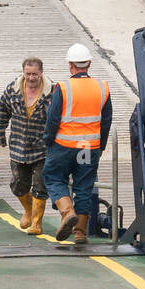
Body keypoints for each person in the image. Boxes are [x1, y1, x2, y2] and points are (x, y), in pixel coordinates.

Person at [42, 43, 112, 246]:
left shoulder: (62, 88)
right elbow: (106, 122)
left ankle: (67, 212)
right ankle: (80, 233)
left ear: (70, 65)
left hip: (63, 146)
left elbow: (52, 120)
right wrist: (101, 146)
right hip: (89, 148)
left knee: (53, 177)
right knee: (84, 187)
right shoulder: (103, 88)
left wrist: (48, 140)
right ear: (89, 63)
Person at [0, 56, 53, 235]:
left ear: (42, 73)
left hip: (42, 148)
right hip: (18, 146)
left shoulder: (53, 92)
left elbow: (59, 117)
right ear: (23, 72)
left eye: (35, 74)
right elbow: (2, 111)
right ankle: (27, 210)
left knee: (40, 186)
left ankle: (36, 222)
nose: (31, 77)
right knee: (19, 184)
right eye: (28, 74)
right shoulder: (12, 90)